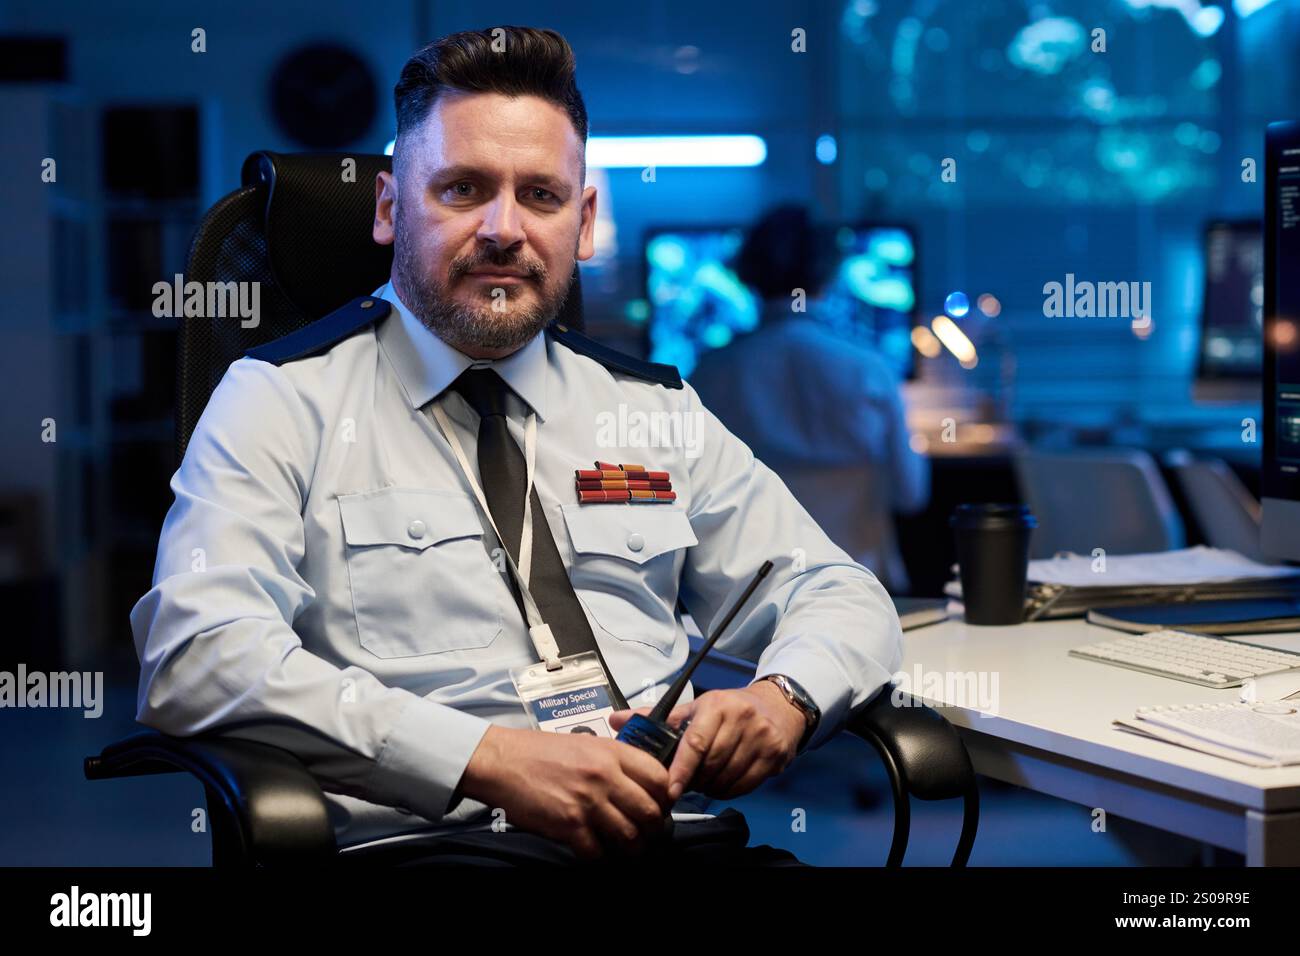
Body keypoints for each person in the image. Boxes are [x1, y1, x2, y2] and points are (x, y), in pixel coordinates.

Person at [131, 27, 902, 866]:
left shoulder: (652, 407)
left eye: (540, 195)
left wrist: (784, 696)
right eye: (462, 190)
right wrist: (487, 760)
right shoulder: (280, 400)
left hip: (677, 839)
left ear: (584, 222)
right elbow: (198, 653)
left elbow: (834, 588)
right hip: (436, 848)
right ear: (390, 207)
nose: (503, 229)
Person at [690, 206, 930, 593]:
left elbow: (695, 508)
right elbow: (911, 495)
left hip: (748, 598)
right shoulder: (869, 369)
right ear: (831, 273)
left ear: (747, 273)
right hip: (861, 586)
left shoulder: (708, 375)